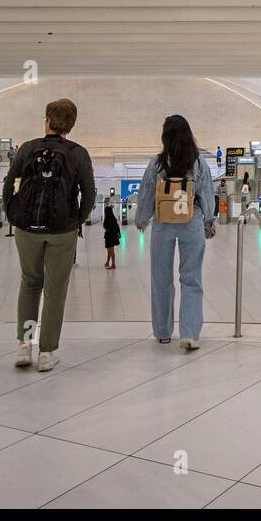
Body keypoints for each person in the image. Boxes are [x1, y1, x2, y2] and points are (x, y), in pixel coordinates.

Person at [3, 97, 96, 372]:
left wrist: (13, 215)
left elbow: (9, 185)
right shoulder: (78, 153)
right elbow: (89, 194)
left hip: (26, 227)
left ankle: (24, 346)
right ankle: (46, 352)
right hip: (61, 228)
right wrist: (76, 219)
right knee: (55, 291)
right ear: (71, 124)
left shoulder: (28, 148)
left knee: (30, 283)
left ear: (47, 120)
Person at [135, 115, 216, 351]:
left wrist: (141, 220)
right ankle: (190, 333)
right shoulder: (198, 162)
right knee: (191, 278)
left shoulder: (157, 164)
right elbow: (207, 195)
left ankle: (162, 331)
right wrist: (209, 222)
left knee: (161, 279)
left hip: (163, 224)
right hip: (191, 222)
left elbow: (146, 194)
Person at [103, 201, 122, 269]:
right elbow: (117, 227)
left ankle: (113, 264)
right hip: (111, 236)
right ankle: (108, 262)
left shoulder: (108, 219)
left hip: (109, 236)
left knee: (111, 251)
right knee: (109, 250)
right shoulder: (113, 218)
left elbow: (109, 227)